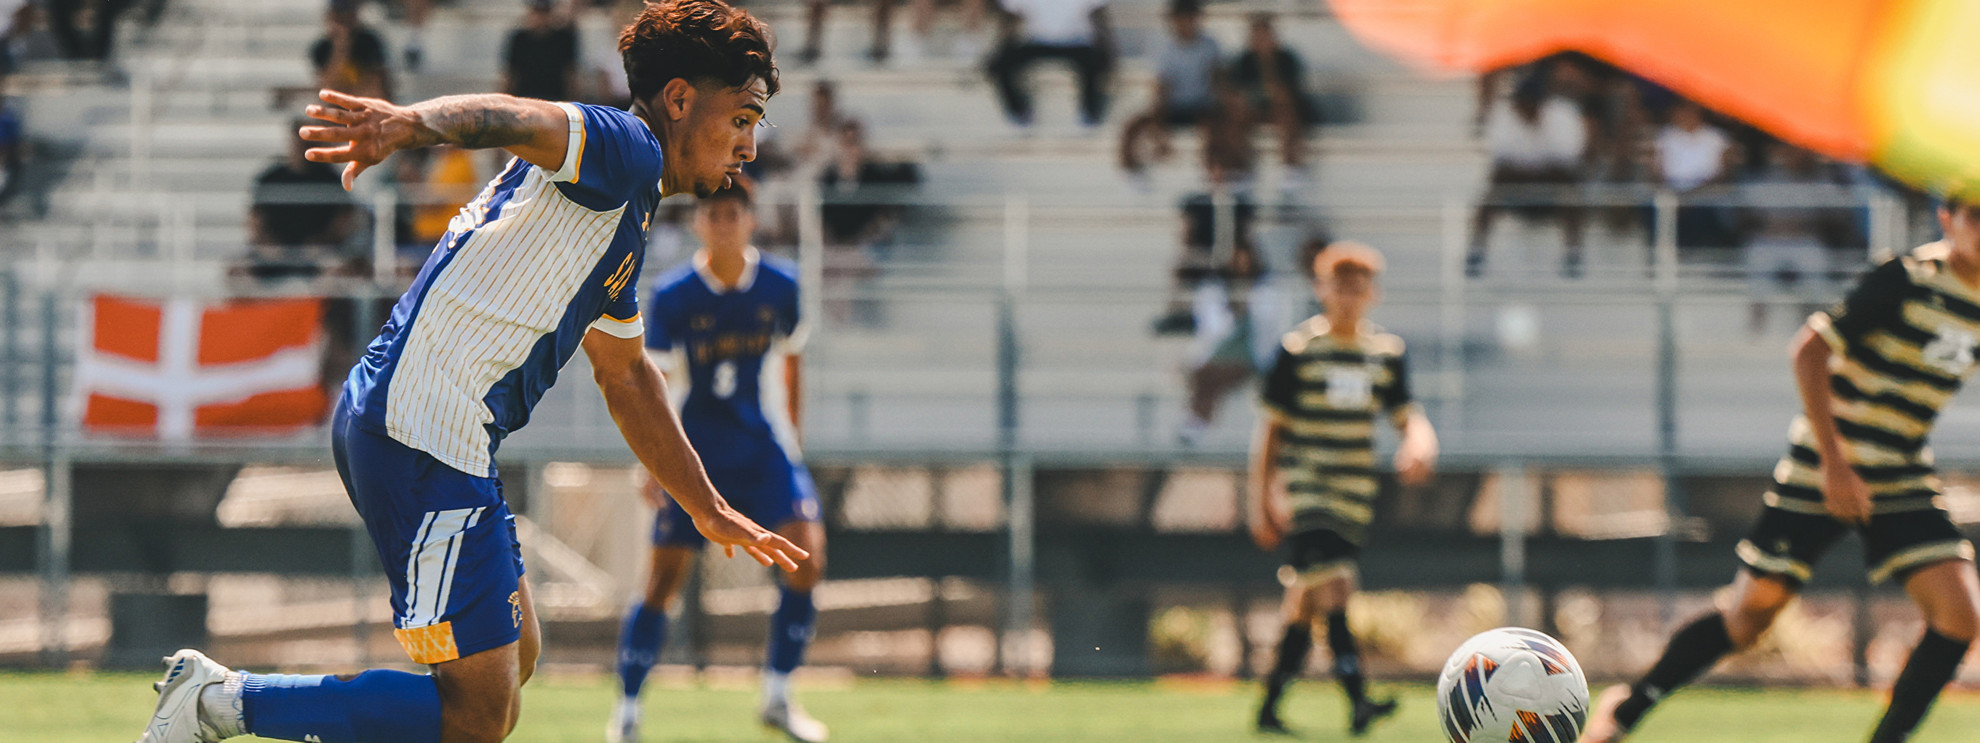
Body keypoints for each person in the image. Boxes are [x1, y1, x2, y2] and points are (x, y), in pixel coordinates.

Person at [131, 4, 809, 743]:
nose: (749, 145)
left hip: (429, 431)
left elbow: (626, 376)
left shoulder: (623, 210)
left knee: (514, 659)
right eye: (743, 117)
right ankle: (215, 702)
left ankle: (226, 700)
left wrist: (705, 503)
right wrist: (411, 124)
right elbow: (521, 116)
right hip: (422, 430)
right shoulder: (629, 148)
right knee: (476, 714)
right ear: (680, 100)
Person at [1579, 199, 1980, 743]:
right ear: (1946, 218)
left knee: (1960, 614)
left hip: (1901, 468)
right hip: (1824, 462)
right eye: (1976, 215)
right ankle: (1626, 709)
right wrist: (1837, 467)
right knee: (1750, 616)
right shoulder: (1905, 278)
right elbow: (1809, 350)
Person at [608, 180, 827, 743]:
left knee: (807, 555)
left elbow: (793, 362)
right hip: (695, 456)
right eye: (713, 214)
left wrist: (793, 444)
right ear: (699, 224)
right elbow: (647, 381)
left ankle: (778, 696)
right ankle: (627, 711)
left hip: (762, 448)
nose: (723, 222)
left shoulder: (782, 284)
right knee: (661, 582)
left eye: (733, 213)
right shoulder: (675, 293)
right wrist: (653, 464)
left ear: (751, 221)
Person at [1250, 241, 1437, 737]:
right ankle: (1358, 702)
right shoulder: (1297, 351)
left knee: (1305, 599)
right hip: (1308, 490)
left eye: (1358, 288)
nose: (1349, 298)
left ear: (1372, 294)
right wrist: (1262, 498)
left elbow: (1406, 415)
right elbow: (1270, 432)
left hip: (1354, 496)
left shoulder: (1386, 355)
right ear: (1321, 290)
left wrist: (1420, 441)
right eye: (1340, 287)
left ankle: (1269, 709)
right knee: (1335, 586)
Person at [1466, 74, 1589, 278]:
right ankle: (1476, 250)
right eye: (1520, 104)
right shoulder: (1505, 115)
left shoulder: (1562, 115)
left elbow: (1567, 164)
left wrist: (1532, 164)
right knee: (1493, 189)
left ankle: (1573, 252)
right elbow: (1500, 166)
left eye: (1528, 104)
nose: (1522, 109)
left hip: (1551, 191)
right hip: (1518, 190)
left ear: (1540, 104)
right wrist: (1538, 167)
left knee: (1570, 188)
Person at [238, 119, 359, 282]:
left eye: (305, 141)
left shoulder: (329, 178)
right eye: (297, 140)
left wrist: (324, 242)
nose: (300, 146)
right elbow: (254, 218)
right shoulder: (270, 178)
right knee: (237, 272)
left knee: (338, 270)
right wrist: (267, 244)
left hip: (319, 252)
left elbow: (344, 218)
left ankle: (322, 308)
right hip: (274, 252)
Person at [1117, 0, 1218, 174]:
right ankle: (1131, 171)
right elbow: (1162, 87)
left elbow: (1217, 81)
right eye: (1181, 18)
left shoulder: (1210, 46)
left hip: (1202, 107)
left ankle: (1215, 169)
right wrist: (1159, 128)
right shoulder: (1165, 48)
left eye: (1189, 18)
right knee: (1132, 126)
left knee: (1218, 126)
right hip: (1173, 108)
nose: (1185, 23)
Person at [986, 0, 1111, 130]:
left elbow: (1099, 18)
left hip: (1076, 41)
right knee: (998, 65)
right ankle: (1018, 111)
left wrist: (1106, 48)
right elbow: (1010, 19)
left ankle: (1090, 113)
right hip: (1036, 41)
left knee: (1094, 63)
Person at [1230, 14, 1316, 171]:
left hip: (1281, 110)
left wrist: (1267, 63)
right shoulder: (1244, 61)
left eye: (1265, 36)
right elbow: (1238, 93)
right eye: (1257, 36)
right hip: (1254, 110)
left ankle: (1290, 167)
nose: (1262, 40)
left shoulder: (1286, 59)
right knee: (1234, 118)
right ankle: (1240, 168)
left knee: (1287, 115)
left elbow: (1287, 93)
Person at [310, 0, 393, 102]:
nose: (343, 19)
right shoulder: (322, 47)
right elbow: (327, 85)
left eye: (346, 14)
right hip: (338, 105)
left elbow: (376, 85)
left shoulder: (369, 42)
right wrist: (340, 48)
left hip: (366, 103)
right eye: (338, 14)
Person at [502, 0, 581, 103]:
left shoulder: (564, 38)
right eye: (537, 11)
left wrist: (572, 103)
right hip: (524, 99)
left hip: (555, 100)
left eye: (544, 12)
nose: (541, 17)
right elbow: (511, 74)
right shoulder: (519, 39)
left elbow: (570, 74)